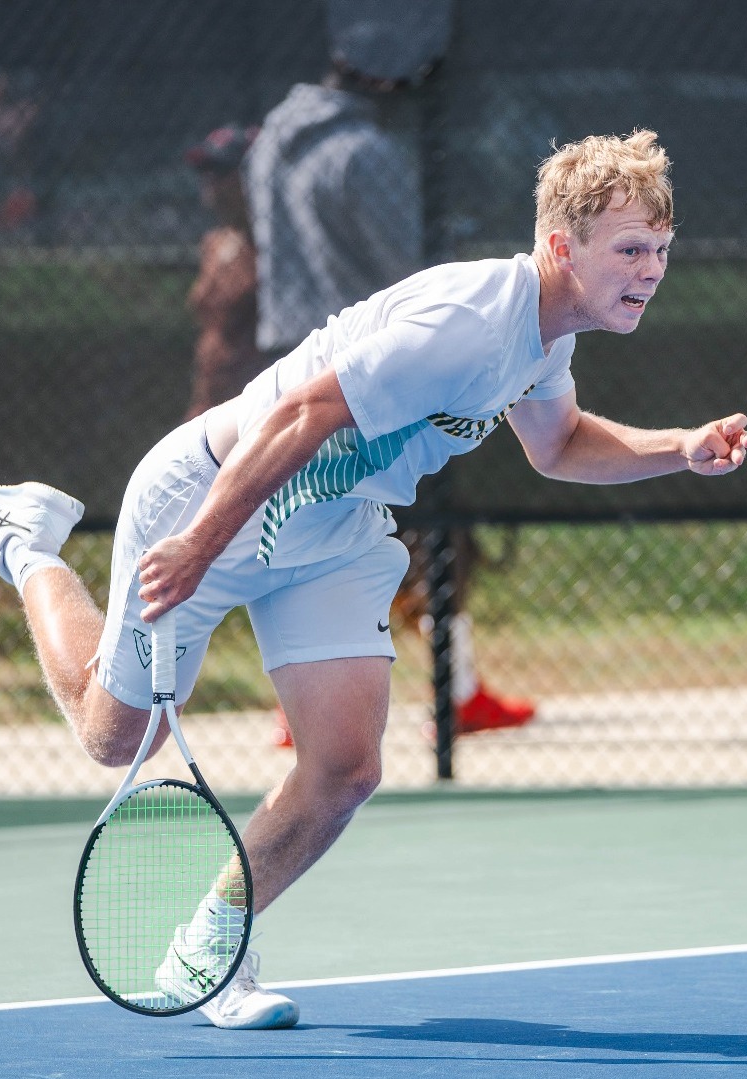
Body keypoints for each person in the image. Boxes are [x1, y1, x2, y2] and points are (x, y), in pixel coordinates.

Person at [0, 129, 747, 1029]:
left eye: (658, 247)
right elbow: (302, 415)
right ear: (559, 247)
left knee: (343, 768)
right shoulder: (468, 319)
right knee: (117, 738)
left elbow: (559, 444)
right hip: (217, 496)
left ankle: (213, 945)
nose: (649, 267)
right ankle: (28, 544)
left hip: (335, 527)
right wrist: (195, 544)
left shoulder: (544, 339)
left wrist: (681, 449)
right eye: (628, 249)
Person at [247, 0, 534, 745]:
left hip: (287, 366)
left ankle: (303, 705)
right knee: (427, 534)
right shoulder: (364, 155)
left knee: (311, 530)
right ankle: (458, 693)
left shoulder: (273, 137)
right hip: (374, 378)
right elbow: (415, 275)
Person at [181, 125, 266, 421]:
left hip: (254, 408)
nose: (210, 182)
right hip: (208, 401)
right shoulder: (215, 242)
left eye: (221, 171)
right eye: (205, 172)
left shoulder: (276, 251)